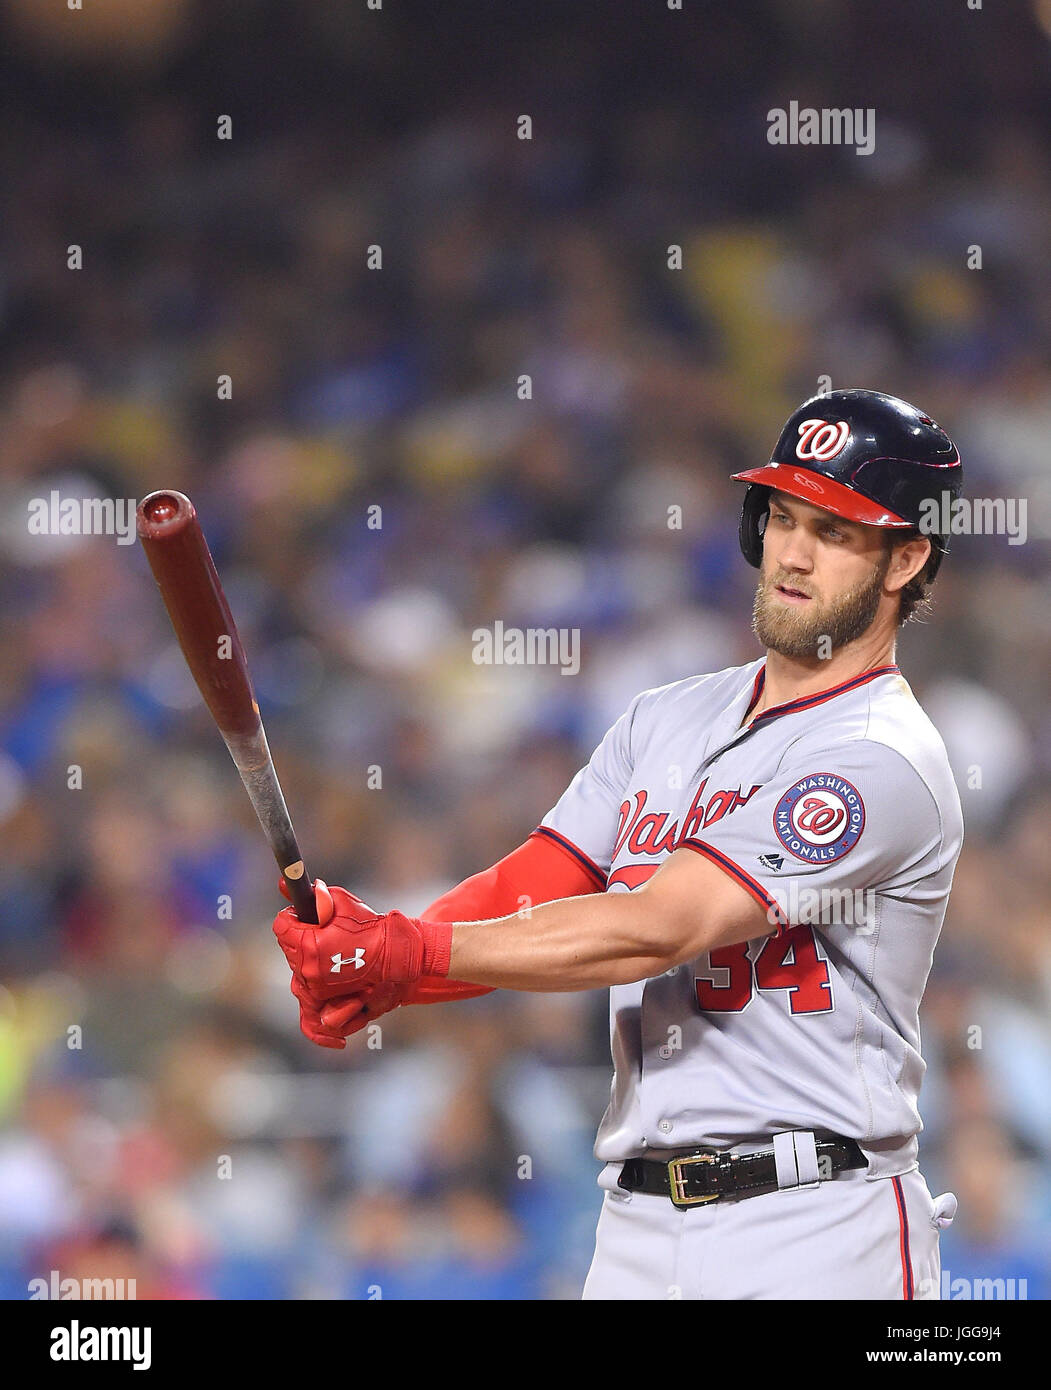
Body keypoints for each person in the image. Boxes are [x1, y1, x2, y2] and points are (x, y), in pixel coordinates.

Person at [274, 389, 965, 1300]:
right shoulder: (663, 717)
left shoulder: (880, 756)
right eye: (783, 516)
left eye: (835, 532)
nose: (792, 554)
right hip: (636, 1220)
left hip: (815, 1223)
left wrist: (411, 953)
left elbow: (661, 926)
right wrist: (383, 961)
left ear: (904, 559)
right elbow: (533, 887)